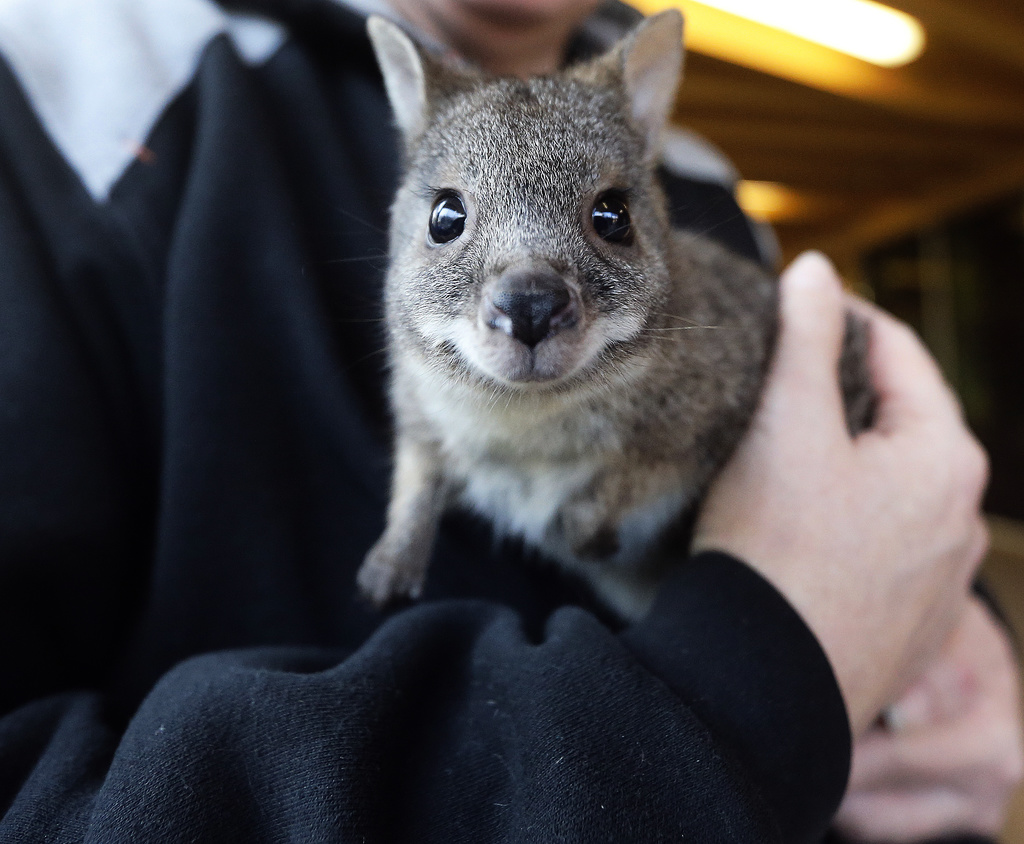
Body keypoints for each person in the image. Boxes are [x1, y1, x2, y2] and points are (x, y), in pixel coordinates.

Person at [0, 0, 1018, 841]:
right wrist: (743, 691)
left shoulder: (700, 181)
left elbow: (845, 490)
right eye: (449, 220)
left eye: (609, 218)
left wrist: (952, 620)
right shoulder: (76, 85)